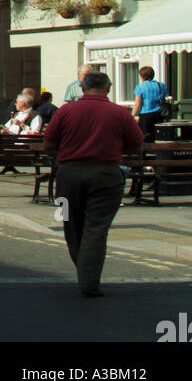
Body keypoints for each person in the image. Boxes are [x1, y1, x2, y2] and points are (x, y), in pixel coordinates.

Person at [43, 71, 143, 297]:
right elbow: (137, 147)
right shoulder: (120, 113)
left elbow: (49, 144)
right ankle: (89, 279)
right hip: (106, 176)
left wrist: (66, 153)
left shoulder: (66, 111)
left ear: (82, 87)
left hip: (68, 176)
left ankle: (85, 272)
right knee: (96, 228)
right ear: (108, 88)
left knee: (70, 223)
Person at [132, 65, 168, 142]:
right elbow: (164, 98)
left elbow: (138, 104)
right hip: (159, 114)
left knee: (146, 136)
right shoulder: (161, 85)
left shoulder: (140, 87)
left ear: (142, 76)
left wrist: (132, 116)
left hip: (146, 115)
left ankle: (147, 152)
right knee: (158, 136)